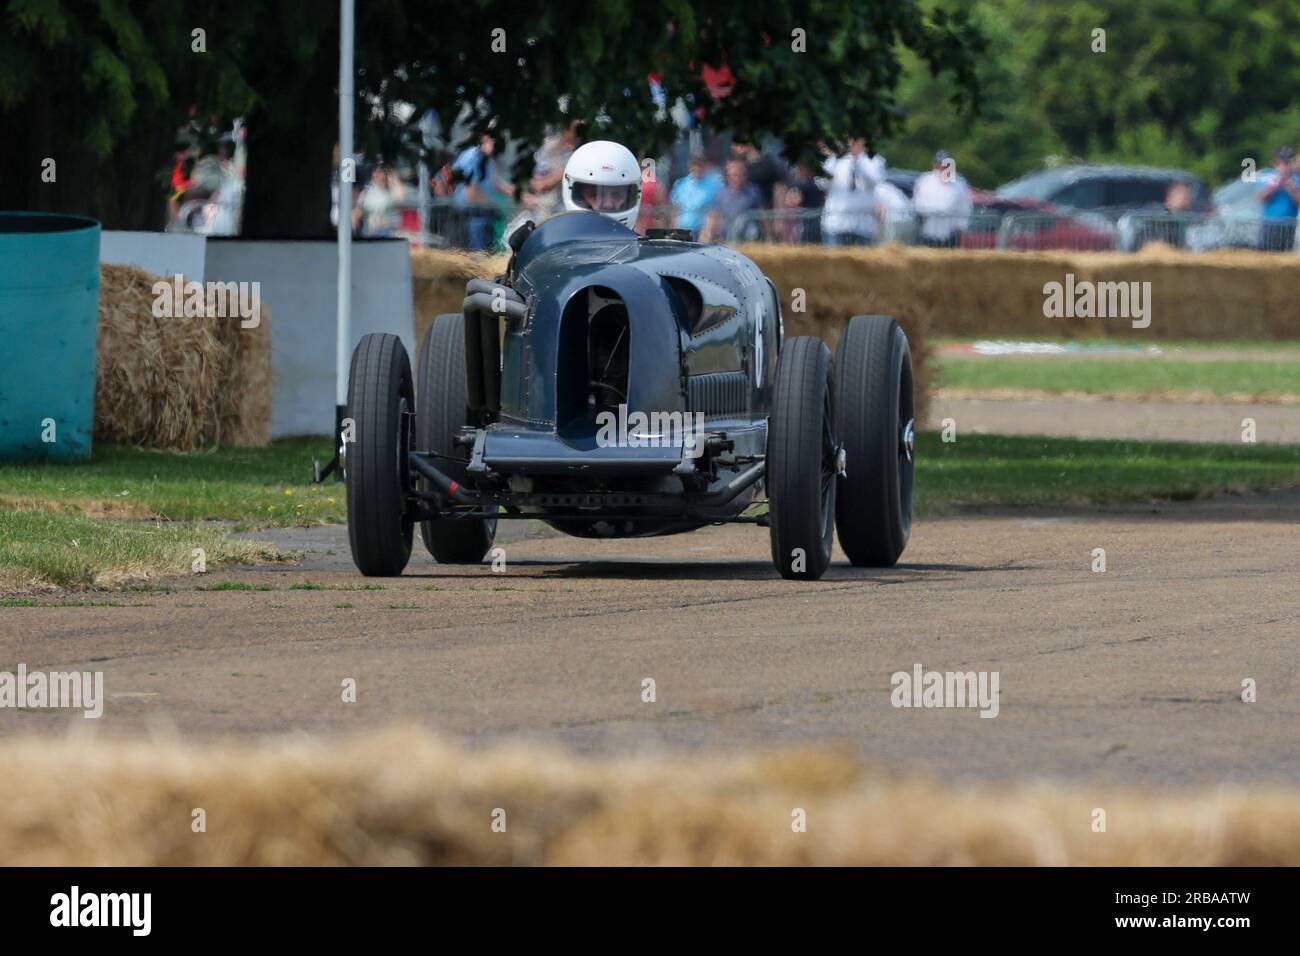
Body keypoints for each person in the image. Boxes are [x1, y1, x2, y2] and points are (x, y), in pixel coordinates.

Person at [561, 140, 643, 228]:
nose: (608, 205)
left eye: (617, 195)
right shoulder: (554, 238)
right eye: (595, 195)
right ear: (578, 195)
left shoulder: (643, 242)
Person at [453, 133, 513, 251]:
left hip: (481, 217)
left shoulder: (485, 159)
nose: (495, 143)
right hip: (472, 217)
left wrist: (520, 194)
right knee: (477, 260)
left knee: (483, 255)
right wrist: (494, 206)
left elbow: (493, 182)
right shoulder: (473, 157)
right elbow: (470, 193)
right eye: (491, 139)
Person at [820, 137, 885, 245]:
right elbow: (821, 182)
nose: (851, 143)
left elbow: (875, 180)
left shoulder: (874, 160)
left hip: (863, 226)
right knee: (834, 261)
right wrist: (831, 156)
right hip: (836, 224)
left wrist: (857, 161)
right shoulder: (837, 160)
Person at [911, 150, 972, 247]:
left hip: (950, 232)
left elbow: (964, 206)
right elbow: (918, 203)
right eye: (940, 165)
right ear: (935, 165)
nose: (943, 168)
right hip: (928, 230)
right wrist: (936, 211)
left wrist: (961, 226)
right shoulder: (925, 180)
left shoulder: (960, 183)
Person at [699, 160, 762, 243]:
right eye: (731, 176)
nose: (734, 178)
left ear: (744, 176)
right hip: (725, 238)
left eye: (737, 175)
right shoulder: (721, 194)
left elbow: (762, 215)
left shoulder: (753, 193)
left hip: (746, 239)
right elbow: (713, 215)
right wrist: (706, 236)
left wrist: (769, 237)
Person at [669, 152, 723, 239]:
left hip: (703, 232)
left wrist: (707, 233)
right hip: (682, 231)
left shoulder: (715, 186)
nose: (697, 168)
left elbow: (715, 211)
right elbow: (675, 209)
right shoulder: (681, 184)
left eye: (700, 165)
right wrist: (674, 230)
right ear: (689, 165)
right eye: (694, 165)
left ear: (705, 166)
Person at [1256, 145, 1300, 251]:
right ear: (1275, 163)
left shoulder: (1297, 178)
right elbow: (1260, 198)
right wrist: (1274, 186)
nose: (1284, 166)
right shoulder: (1266, 176)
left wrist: (1289, 187)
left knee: (1284, 258)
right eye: (1281, 163)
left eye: (1287, 162)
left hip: (1288, 226)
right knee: (1265, 256)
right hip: (1269, 224)